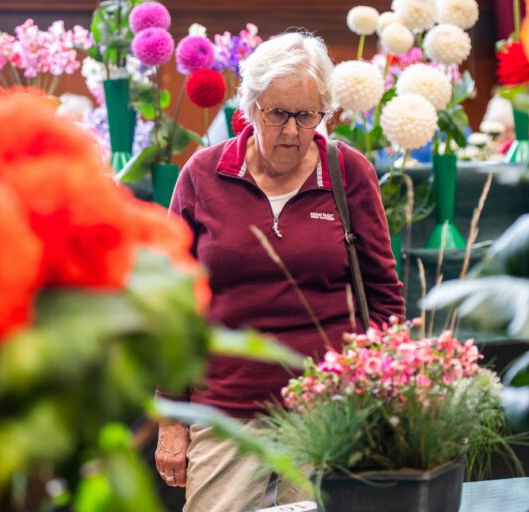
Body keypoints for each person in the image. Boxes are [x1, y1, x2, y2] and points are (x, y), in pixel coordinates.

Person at [155, 31, 404, 512]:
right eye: (278, 114)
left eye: (307, 116)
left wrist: (383, 400)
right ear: (250, 107)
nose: (292, 131)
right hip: (227, 410)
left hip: (329, 412)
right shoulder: (202, 176)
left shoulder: (349, 173)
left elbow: (383, 297)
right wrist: (171, 419)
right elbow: (172, 303)